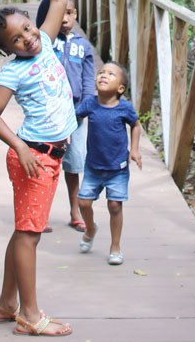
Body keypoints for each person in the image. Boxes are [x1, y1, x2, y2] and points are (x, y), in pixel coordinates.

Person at [0, 0, 83, 338]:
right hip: (34, 157)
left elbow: (58, 0)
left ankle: (7, 305)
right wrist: (20, 146)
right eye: (17, 39)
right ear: (7, 49)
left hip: (51, 156)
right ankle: (30, 314)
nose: (27, 38)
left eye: (27, 28)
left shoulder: (48, 40)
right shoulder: (14, 71)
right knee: (29, 234)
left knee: (24, 229)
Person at [36, 0, 95, 232]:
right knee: (47, 164)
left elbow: (89, 82)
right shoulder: (46, 42)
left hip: (75, 116)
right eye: (60, 14)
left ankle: (75, 211)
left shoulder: (84, 47)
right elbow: (42, 13)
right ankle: (40, 214)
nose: (65, 19)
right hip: (50, 116)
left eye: (69, 13)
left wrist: (82, 112)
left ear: (76, 14)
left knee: (74, 164)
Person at [76, 61, 142, 266]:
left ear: (121, 88)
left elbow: (136, 125)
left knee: (115, 206)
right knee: (83, 203)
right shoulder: (90, 104)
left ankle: (115, 246)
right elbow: (74, 118)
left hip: (117, 168)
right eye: (101, 72)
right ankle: (90, 228)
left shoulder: (124, 107)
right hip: (93, 166)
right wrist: (65, 135)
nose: (103, 75)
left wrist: (135, 149)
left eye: (111, 74)